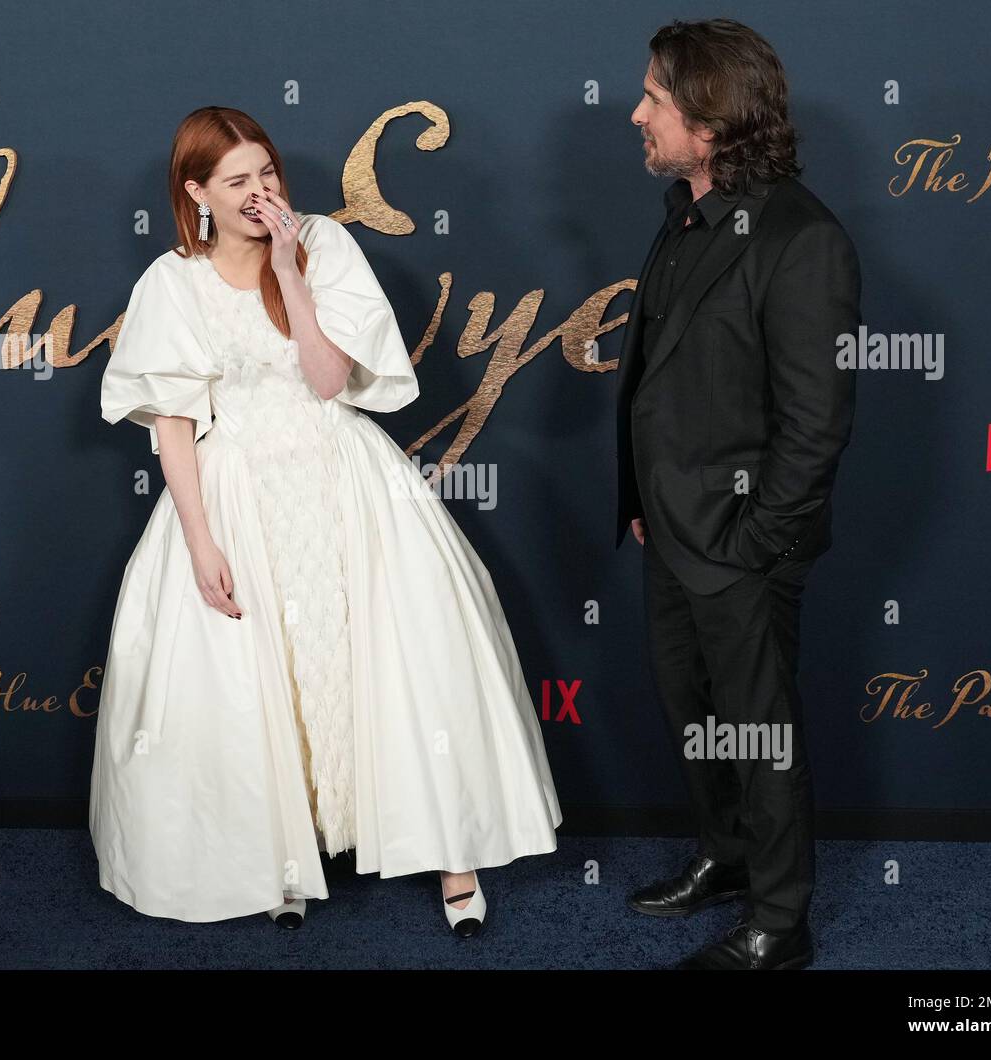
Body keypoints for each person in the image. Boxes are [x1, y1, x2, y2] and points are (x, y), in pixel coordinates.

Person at [88, 107, 561, 938]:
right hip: (236, 489)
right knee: (255, 674)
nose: (258, 192)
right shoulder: (173, 282)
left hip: (345, 476)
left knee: (405, 657)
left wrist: (290, 269)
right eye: (235, 181)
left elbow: (329, 378)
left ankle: (453, 858)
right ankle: (282, 859)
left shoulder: (324, 245)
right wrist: (200, 541)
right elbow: (171, 426)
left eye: (266, 174)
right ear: (195, 191)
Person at [615, 20, 861, 969]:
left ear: (709, 121)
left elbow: (817, 423)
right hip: (672, 531)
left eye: (654, 99)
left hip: (742, 545)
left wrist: (757, 541)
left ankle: (780, 920)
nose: (636, 114)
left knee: (760, 732)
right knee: (695, 712)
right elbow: (664, 380)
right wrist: (644, 496)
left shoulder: (804, 242)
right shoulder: (685, 212)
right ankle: (723, 857)